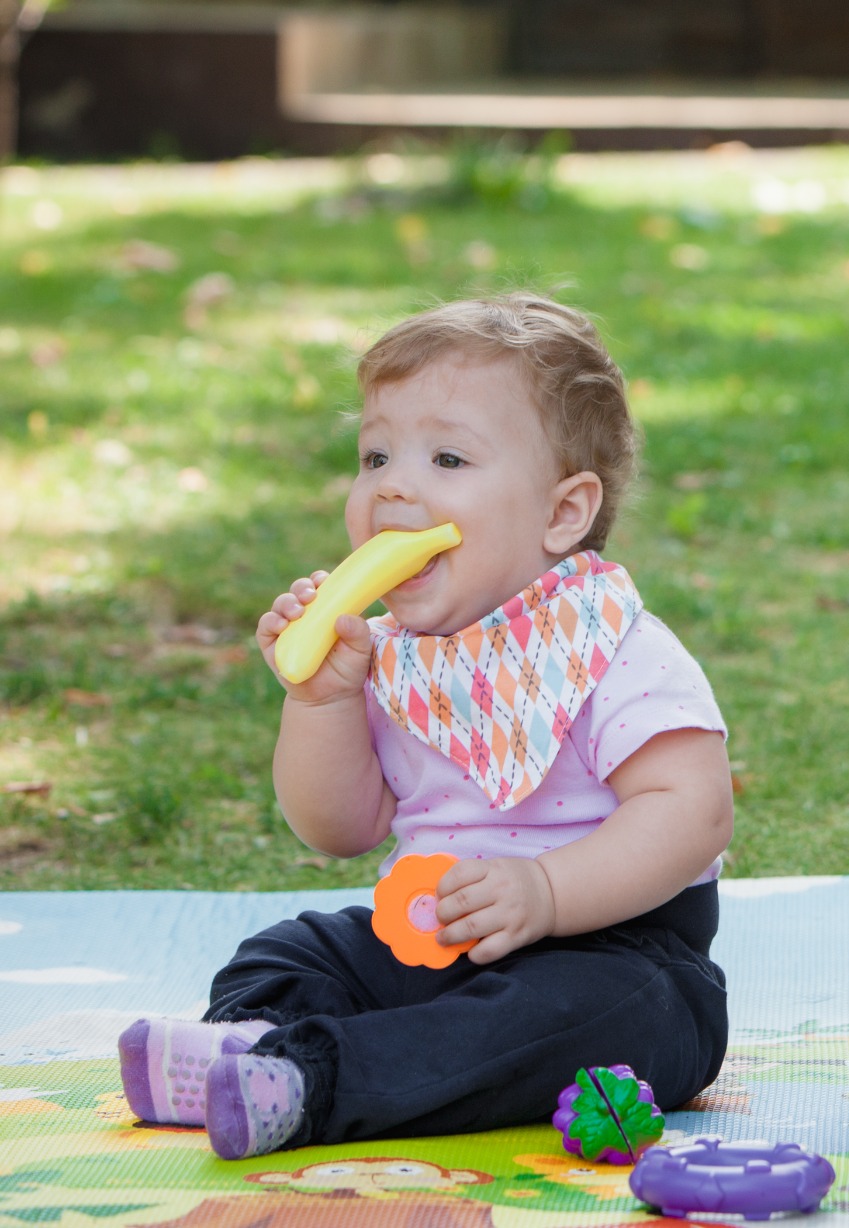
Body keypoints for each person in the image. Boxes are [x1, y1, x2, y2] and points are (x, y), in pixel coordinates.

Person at [116, 293, 733, 1160]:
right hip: (430, 941)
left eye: (447, 457)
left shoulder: (612, 645)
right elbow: (340, 830)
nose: (394, 484)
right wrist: (322, 700)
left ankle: (317, 1080)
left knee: (613, 1016)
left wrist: (548, 891)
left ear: (563, 513)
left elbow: (692, 811)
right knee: (284, 955)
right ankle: (256, 1050)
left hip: (610, 950)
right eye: (375, 455)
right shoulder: (399, 653)